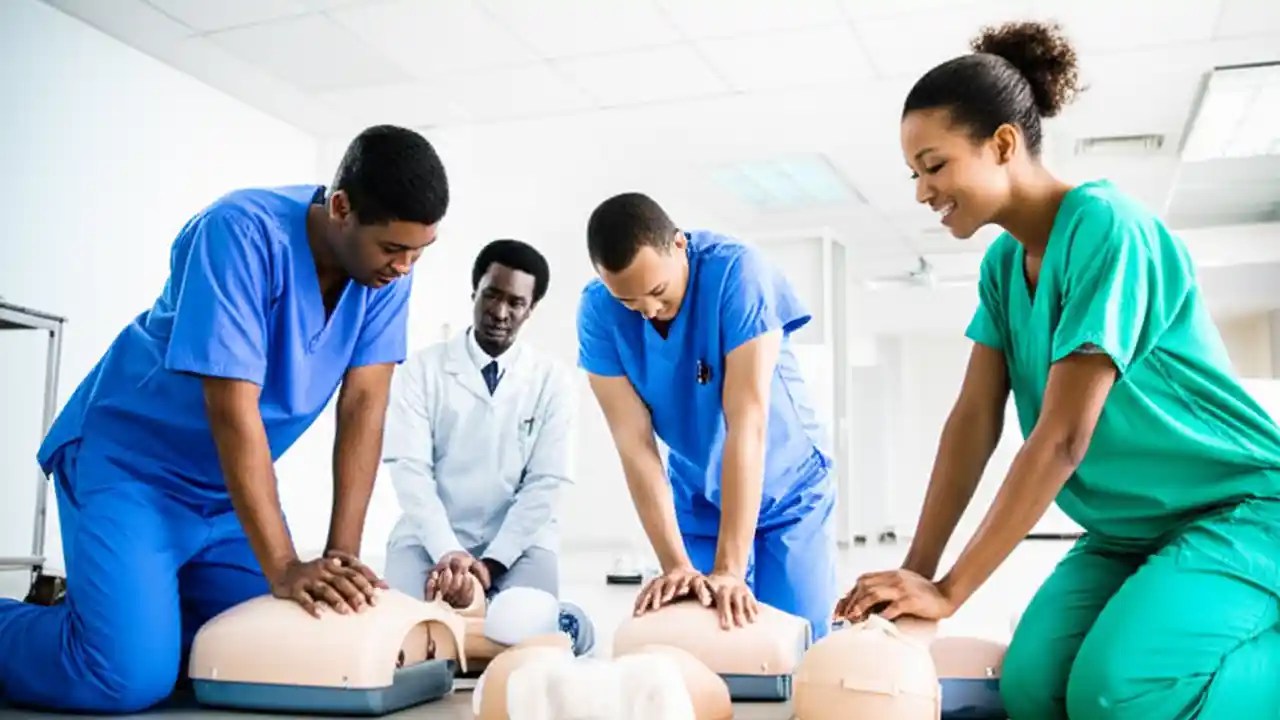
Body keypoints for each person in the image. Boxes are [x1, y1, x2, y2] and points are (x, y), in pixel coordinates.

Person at [836, 20, 1280, 720]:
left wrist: (953, 590)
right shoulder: (1003, 265)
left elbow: (1064, 437)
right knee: (1033, 689)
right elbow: (973, 421)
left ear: (1004, 144)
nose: (922, 191)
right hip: (1129, 530)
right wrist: (917, 572)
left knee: (1116, 695)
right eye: (914, 174)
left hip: (1243, 508)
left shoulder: (1109, 228)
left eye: (935, 164)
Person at [0, 125, 449, 715]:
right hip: (134, 471)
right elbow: (233, 410)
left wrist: (342, 555)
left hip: (225, 498)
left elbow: (365, 404)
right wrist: (284, 565)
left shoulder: (383, 272)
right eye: (394, 249)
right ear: (342, 209)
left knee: (264, 648)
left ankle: (112, 613)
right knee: (124, 679)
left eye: (421, 251)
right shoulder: (238, 232)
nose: (406, 265)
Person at [576, 192, 837, 641]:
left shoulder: (737, 274)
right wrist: (674, 563)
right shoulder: (598, 311)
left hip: (788, 490)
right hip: (699, 496)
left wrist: (730, 569)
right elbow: (634, 446)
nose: (650, 311)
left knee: (795, 643)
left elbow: (747, 421)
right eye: (630, 303)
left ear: (679, 244)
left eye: (657, 292)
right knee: (704, 642)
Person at [381, 239, 590, 652]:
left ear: (531, 309)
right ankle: (488, 622)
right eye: (491, 295)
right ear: (474, 290)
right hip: (428, 540)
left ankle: (561, 623)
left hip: (521, 545)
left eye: (515, 302)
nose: (499, 312)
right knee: (404, 640)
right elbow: (410, 472)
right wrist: (449, 553)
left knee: (525, 636)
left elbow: (547, 484)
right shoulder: (421, 371)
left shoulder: (552, 381)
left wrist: (491, 565)